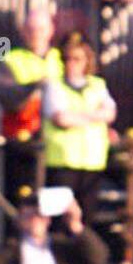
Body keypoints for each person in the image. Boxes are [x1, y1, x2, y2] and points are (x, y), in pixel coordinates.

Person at [42, 34, 117, 225]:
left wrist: (78, 116)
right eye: (67, 59)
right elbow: (61, 118)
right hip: (62, 162)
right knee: (59, 220)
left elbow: (110, 113)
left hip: (92, 162)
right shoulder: (54, 85)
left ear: (86, 61)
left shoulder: (97, 85)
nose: (71, 64)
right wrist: (94, 116)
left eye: (77, 59)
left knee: (85, 220)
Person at [0, 8, 61, 199]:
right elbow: (5, 96)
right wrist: (34, 86)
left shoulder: (64, 58)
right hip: (22, 143)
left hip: (56, 146)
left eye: (41, 29)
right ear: (23, 31)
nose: (36, 35)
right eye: (31, 29)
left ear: (51, 30)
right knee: (21, 202)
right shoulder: (11, 59)